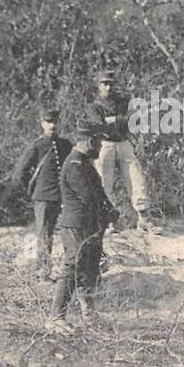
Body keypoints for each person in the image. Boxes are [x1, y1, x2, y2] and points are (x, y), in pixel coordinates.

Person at [49, 120, 120, 336]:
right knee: (73, 268)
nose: (100, 148)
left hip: (89, 226)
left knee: (89, 271)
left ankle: (89, 315)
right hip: (77, 226)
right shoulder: (74, 165)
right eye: (98, 143)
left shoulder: (83, 163)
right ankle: (56, 318)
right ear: (90, 141)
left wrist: (112, 213)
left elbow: (99, 196)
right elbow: (90, 199)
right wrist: (108, 215)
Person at [87, 69, 159, 233]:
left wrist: (116, 120)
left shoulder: (123, 101)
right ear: (98, 86)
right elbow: (99, 124)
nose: (108, 88)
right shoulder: (93, 106)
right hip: (105, 144)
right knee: (104, 183)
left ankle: (144, 219)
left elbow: (134, 120)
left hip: (123, 141)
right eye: (104, 84)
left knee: (136, 177)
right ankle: (108, 222)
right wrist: (120, 121)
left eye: (111, 84)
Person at [10, 107, 72, 280]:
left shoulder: (65, 145)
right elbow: (19, 174)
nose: (52, 125)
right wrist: (32, 191)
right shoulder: (37, 146)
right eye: (48, 122)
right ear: (42, 123)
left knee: (68, 231)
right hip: (43, 197)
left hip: (63, 196)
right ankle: (43, 271)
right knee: (44, 234)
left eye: (55, 122)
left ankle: (70, 269)